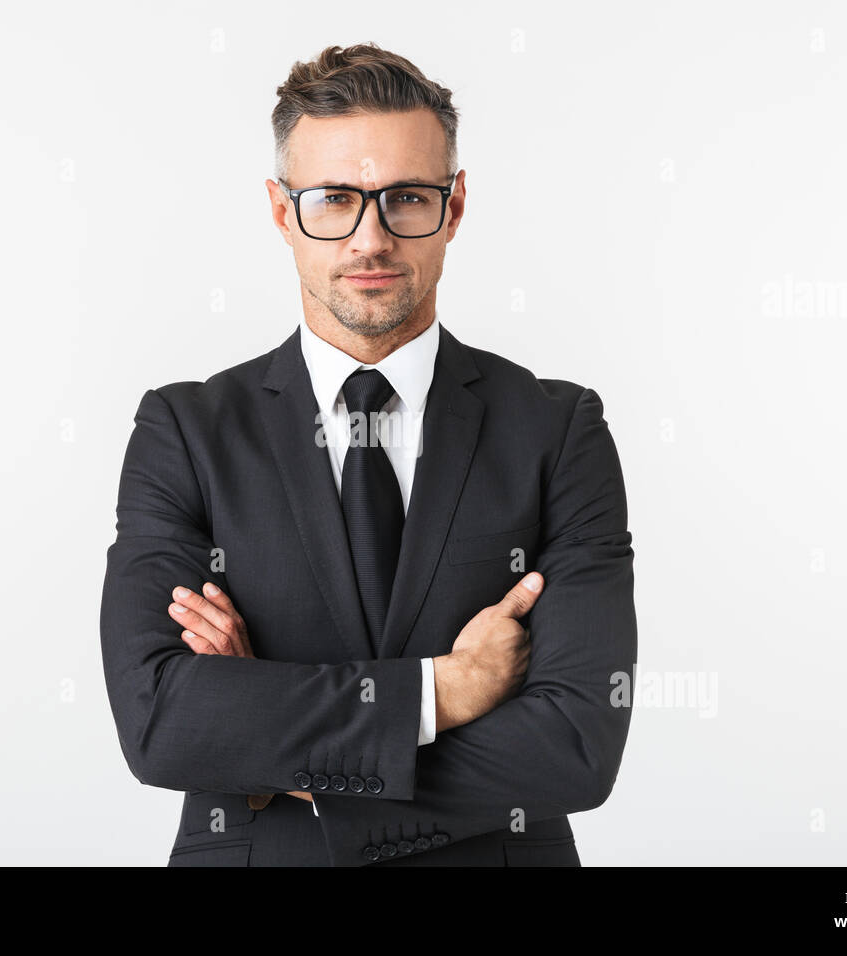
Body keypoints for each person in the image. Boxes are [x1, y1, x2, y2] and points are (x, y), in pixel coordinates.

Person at [99, 42, 636, 866]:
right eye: (335, 200)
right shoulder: (186, 430)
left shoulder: (558, 429)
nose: (370, 238)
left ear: (454, 209)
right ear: (284, 214)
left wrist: (286, 755)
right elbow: (163, 722)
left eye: (407, 199)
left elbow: (575, 746)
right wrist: (440, 692)